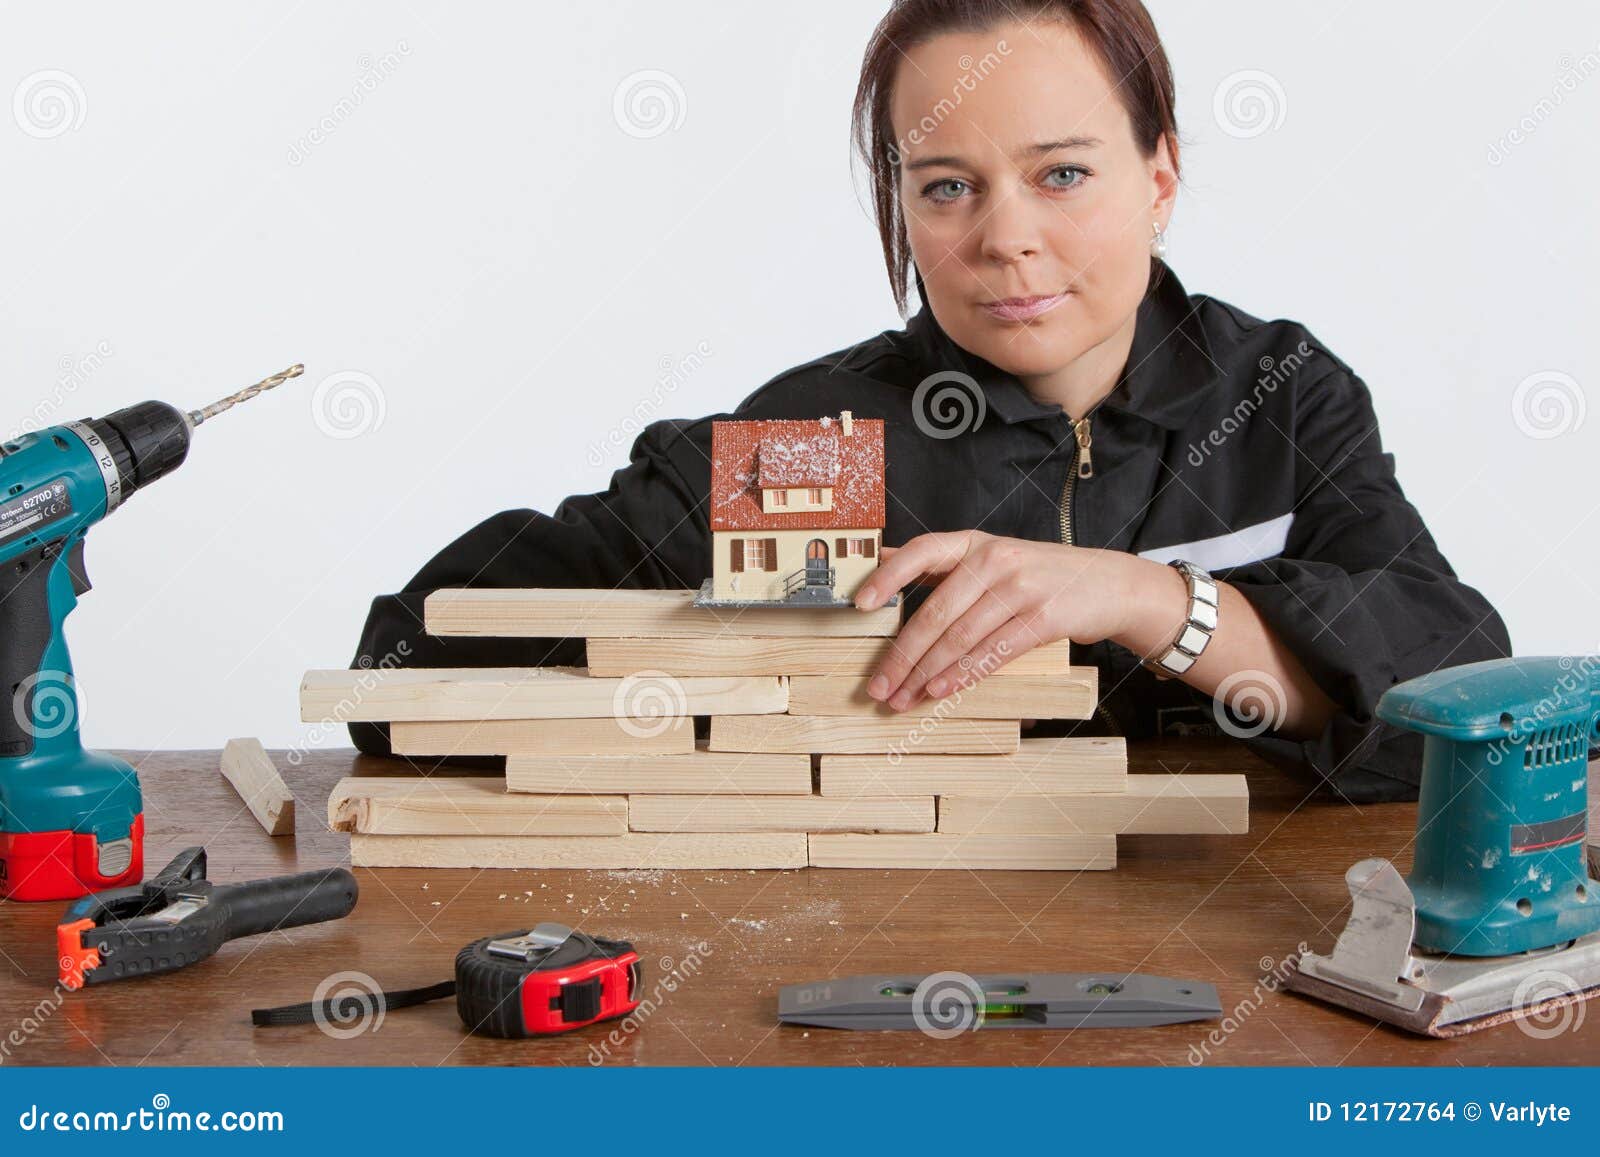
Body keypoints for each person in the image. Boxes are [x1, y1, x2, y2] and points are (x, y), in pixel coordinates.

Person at [347, 0, 1510, 802]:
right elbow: (406, 671)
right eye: (948, 186)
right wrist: (708, 703)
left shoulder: (1276, 402)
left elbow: (1461, 694)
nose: (1006, 239)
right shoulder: (828, 451)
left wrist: (1143, 598)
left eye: (1062, 173)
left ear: (1158, 177)